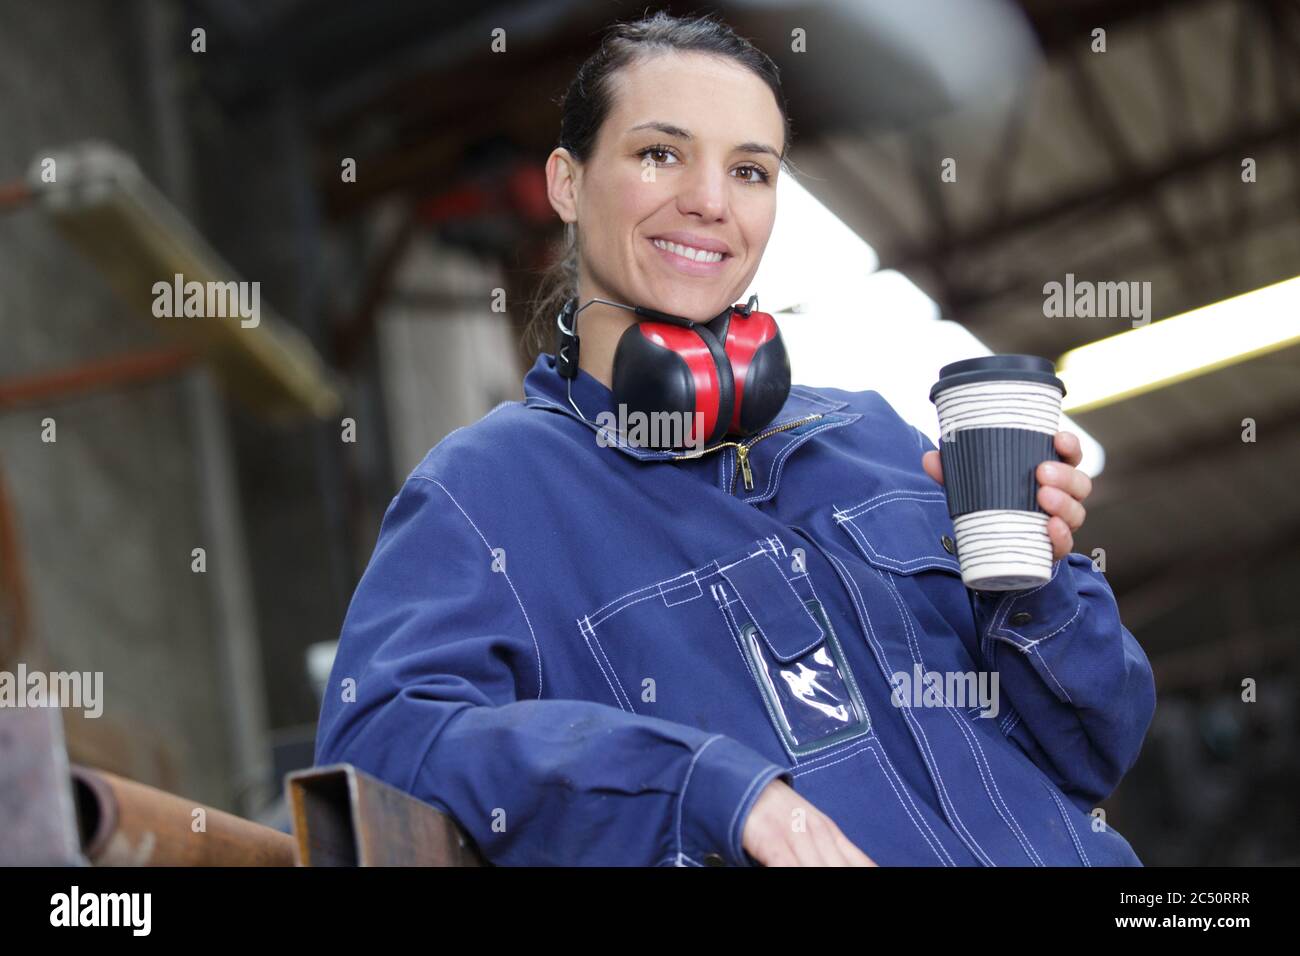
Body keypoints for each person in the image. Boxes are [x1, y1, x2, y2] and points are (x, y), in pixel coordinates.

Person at [315, 11, 1155, 867]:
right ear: (567, 184)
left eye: (749, 170)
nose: (711, 202)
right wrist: (707, 791)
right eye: (659, 154)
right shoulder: (490, 492)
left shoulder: (876, 436)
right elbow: (384, 745)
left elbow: (1094, 748)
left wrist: (1037, 588)